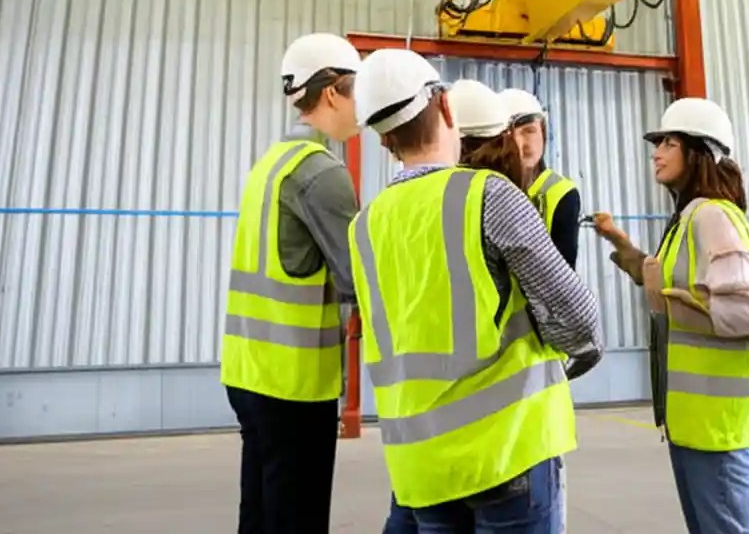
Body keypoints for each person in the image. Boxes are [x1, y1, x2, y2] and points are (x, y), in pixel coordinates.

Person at [349, 50, 603, 533]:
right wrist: (583, 353)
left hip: (420, 463)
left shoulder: (363, 225)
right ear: (445, 107)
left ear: (384, 140)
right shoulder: (488, 194)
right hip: (507, 450)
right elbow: (576, 319)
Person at [591, 97, 749, 534]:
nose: (656, 153)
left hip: (717, 422)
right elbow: (660, 277)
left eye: (669, 143)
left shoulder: (712, 216)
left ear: (699, 153)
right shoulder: (688, 217)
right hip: (693, 419)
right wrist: (618, 241)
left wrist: (671, 307)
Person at [220, 32, 362, 534]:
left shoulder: (270, 163)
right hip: (294, 382)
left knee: (259, 513)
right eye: (358, 90)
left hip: (248, 370)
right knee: (296, 520)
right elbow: (358, 279)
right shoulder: (321, 172)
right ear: (333, 93)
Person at [499, 88, 581, 268]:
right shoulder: (490, 188)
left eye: (529, 131)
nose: (522, 144)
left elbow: (563, 271)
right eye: (510, 135)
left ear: (543, 133)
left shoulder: (560, 192)